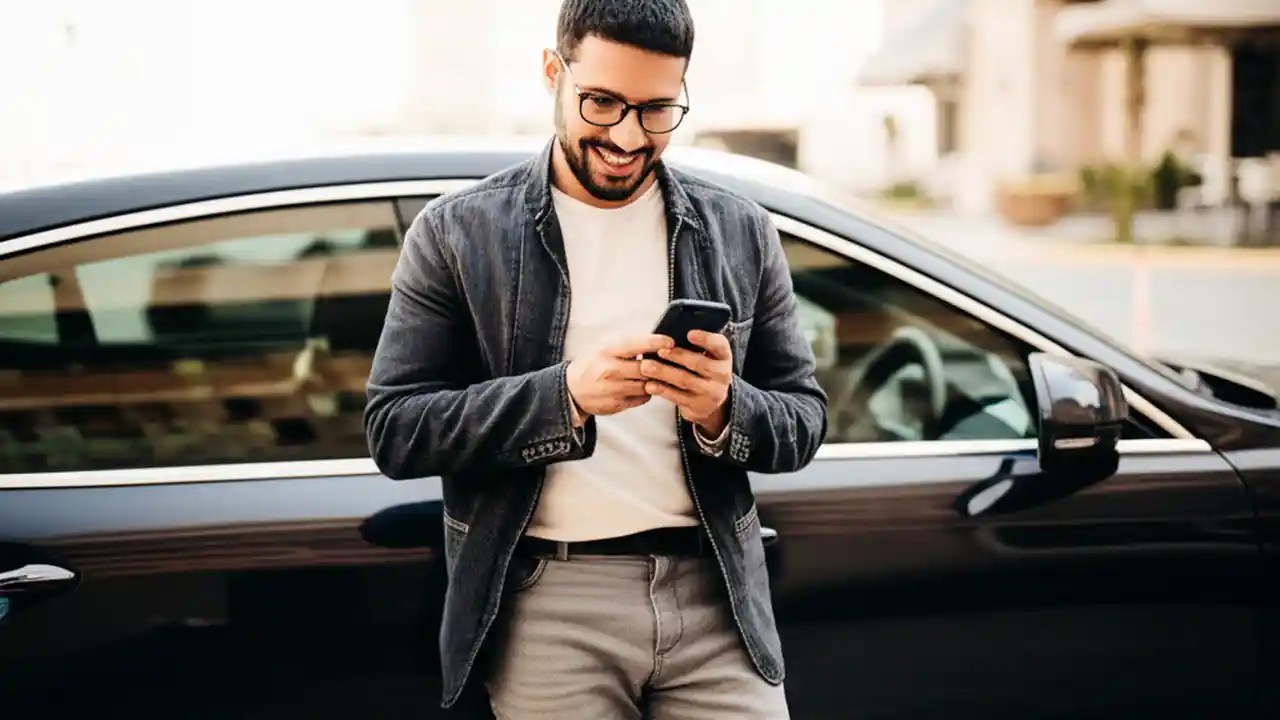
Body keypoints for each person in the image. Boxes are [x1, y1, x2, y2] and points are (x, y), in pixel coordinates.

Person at [365, 0, 827, 716]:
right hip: (550, 603)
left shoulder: (740, 231)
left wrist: (722, 407)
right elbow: (396, 429)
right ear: (554, 71)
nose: (626, 135)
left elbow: (803, 419)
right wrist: (566, 396)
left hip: (719, 595)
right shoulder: (457, 234)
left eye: (656, 111)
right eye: (601, 102)